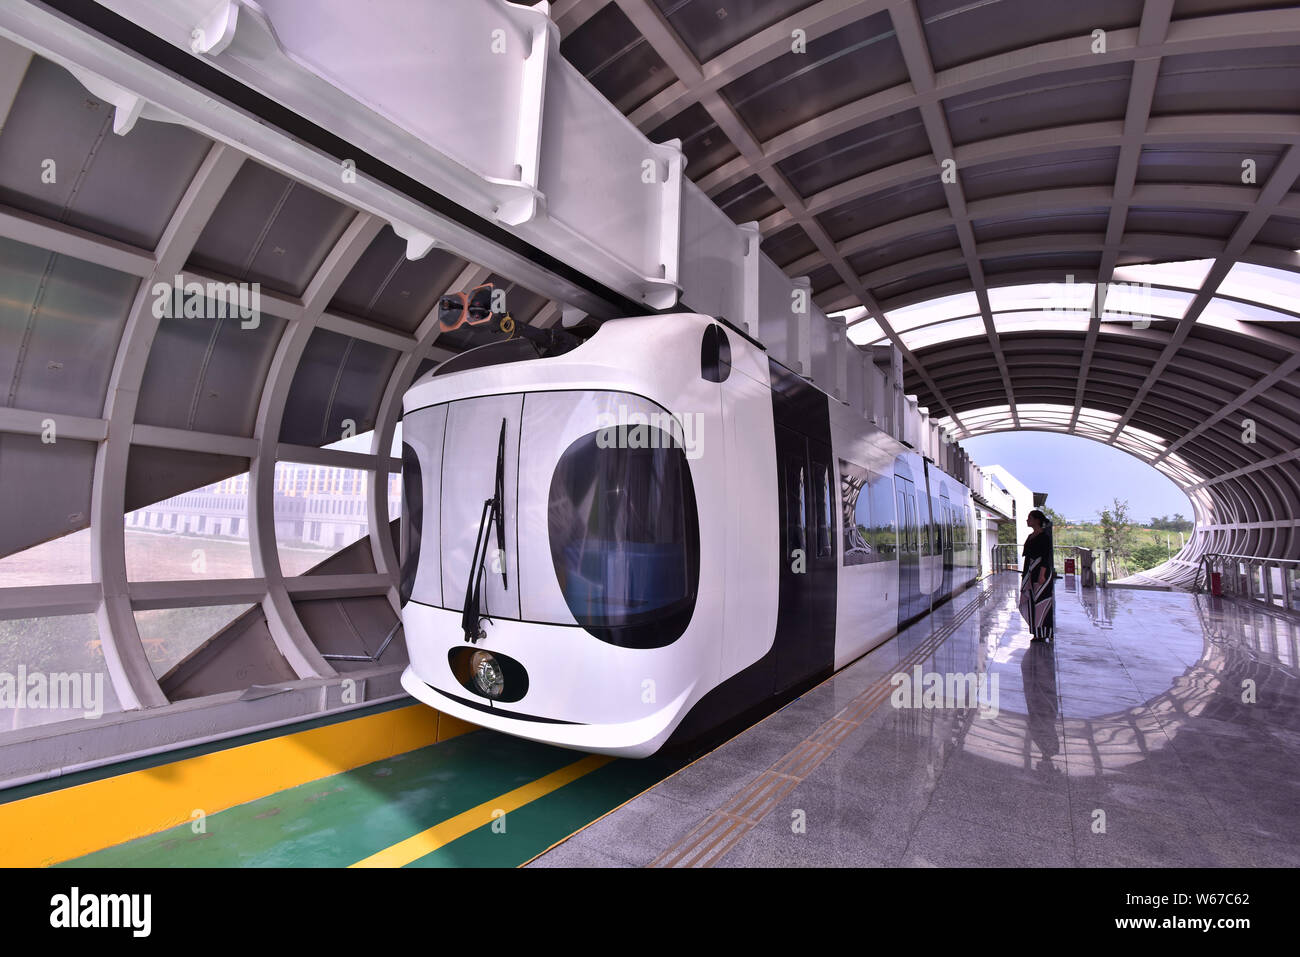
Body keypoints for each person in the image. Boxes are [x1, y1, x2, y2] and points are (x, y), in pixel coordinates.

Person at [1019, 509, 1055, 642]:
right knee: (1033, 602)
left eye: (1030, 518)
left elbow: (1045, 557)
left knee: (1042, 602)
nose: (1027, 520)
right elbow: (1028, 556)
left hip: (1041, 573)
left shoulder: (1044, 537)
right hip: (1030, 573)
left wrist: (1042, 575)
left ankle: (1045, 632)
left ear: (1037, 520)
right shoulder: (1031, 536)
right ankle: (1037, 632)